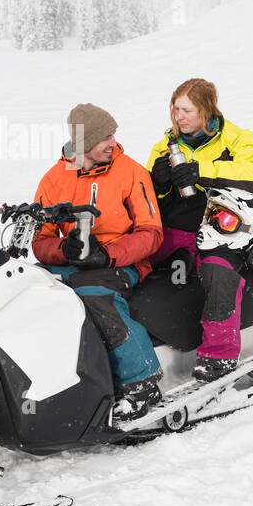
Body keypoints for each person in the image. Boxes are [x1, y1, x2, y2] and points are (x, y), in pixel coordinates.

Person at [33, 102, 164, 418]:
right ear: (82, 144)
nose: (112, 142)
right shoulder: (53, 179)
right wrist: (64, 251)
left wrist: (108, 255)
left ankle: (141, 381)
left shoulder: (132, 172)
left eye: (112, 133)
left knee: (94, 295)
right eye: (103, 137)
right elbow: (40, 241)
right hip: (72, 263)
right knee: (29, 290)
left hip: (122, 263)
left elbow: (152, 233)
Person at [147, 78, 253, 382]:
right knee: (134, 260)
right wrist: (158, 182)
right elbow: (148, 201)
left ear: (206, 109)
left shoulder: (235, 139)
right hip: (177, 229)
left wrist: (205, 172)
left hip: (224, 229)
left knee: (218, 270)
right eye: (176, 109)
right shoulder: (165, 147)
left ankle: (219, 355)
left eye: (187, 110)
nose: (180, 117)